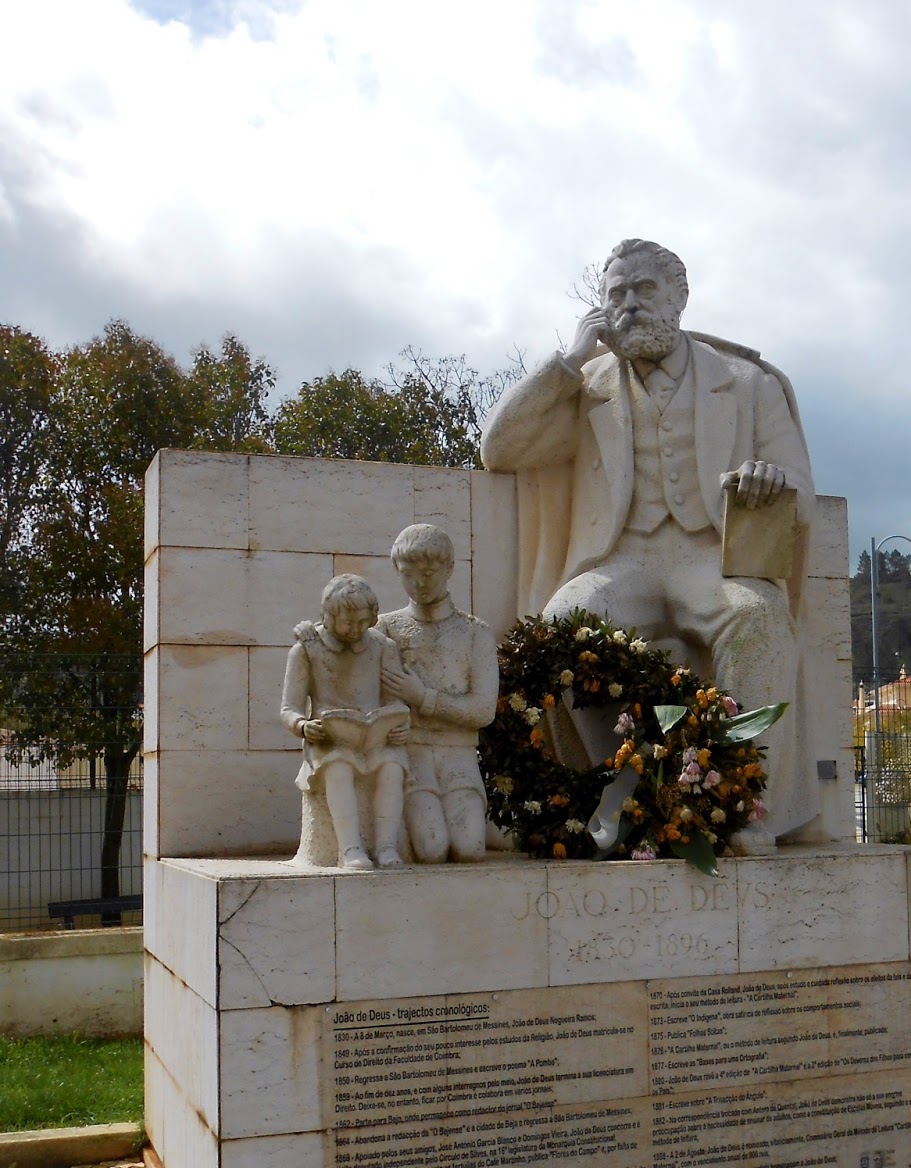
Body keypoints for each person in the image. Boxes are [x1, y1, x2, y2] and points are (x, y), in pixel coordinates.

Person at [480, 237, 818, 848]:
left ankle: (744, 803)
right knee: (562, 625)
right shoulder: (584, 385)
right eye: (616, 294)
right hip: (623, 561)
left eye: (644, 290)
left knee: (758, 616)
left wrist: (773, 481)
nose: (629, 305)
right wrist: (568, 360)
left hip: (707, 559)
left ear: (680, 297)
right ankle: (628, 793)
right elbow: (498, 449)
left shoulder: (746, 384)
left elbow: (803, 497)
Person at [375, 523, 499, 862]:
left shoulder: (475, 633)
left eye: (429, 572)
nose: (420, 582)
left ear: (449, 569)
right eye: (408, 573)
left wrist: (423, 698)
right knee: (431, 849)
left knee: (470, 848)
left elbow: (483, 710)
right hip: (411, 754)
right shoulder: (385, 629)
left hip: (458, 755)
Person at [280, 574, 409, 870]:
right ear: (328, 616)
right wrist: (303, 726)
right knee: (338, 767)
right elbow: (289, 708)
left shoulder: (382, 647)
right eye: (348, 623)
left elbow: (395, 700)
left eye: (363, 621)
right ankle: (351, 848)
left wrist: (400, 724)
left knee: (392, 767)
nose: (356, 630)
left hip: (374, 740)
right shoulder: (306, 650)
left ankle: (387, 847)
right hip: (330, 741)